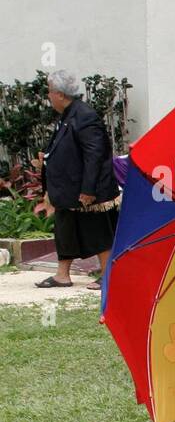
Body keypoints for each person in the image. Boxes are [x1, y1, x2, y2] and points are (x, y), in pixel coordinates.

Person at [31, 70, 120, 291]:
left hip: (89, 189)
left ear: (60, 94)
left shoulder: (84, 116)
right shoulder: (68, 115)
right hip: (68, 189)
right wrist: (48, 156)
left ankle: (107, 274)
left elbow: (95, 155)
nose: (48, 96)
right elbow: (68, 147)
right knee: (65, 229)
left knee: (98, 230)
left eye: (50, 91)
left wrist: (88, 190)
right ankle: (62, 275)